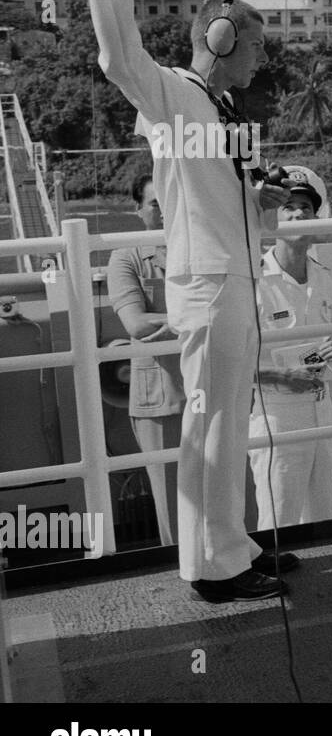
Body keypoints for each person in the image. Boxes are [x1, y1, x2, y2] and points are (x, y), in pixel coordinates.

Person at [85, 0, 294, 602]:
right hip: (206, 280)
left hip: (232, 274)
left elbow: (215, 186)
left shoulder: (219, 108)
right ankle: (210, 566)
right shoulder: (174, 92)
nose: (262, 58)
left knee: (230, 419)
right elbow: (120, 59)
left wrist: (258, 198)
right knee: (209, 421)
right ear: (221, 41)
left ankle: (231, 547)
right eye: (257, 44)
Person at [248, 166, 332, 530]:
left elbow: (328, 349)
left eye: (305, 207)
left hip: (322, 408)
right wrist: (288, 374)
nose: (298, 213)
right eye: (288, 206)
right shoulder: (255, 281)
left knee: (321, 517)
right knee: (279, 520)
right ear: (273, 219)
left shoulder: (324, 279)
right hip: (276, 415)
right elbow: (238, 363)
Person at [107, 173, 183, 545]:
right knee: (173, 502)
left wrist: (174, 323)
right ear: (138, 211)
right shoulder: (126, 258)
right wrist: (198, 319)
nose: (166, 210)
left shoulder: (198, 249)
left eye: (171, 199)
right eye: (155, 203)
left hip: (210, 387)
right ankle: (190, 577)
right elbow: (136, 323)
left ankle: (238, 562)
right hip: (160, 400)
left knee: (230, 487)